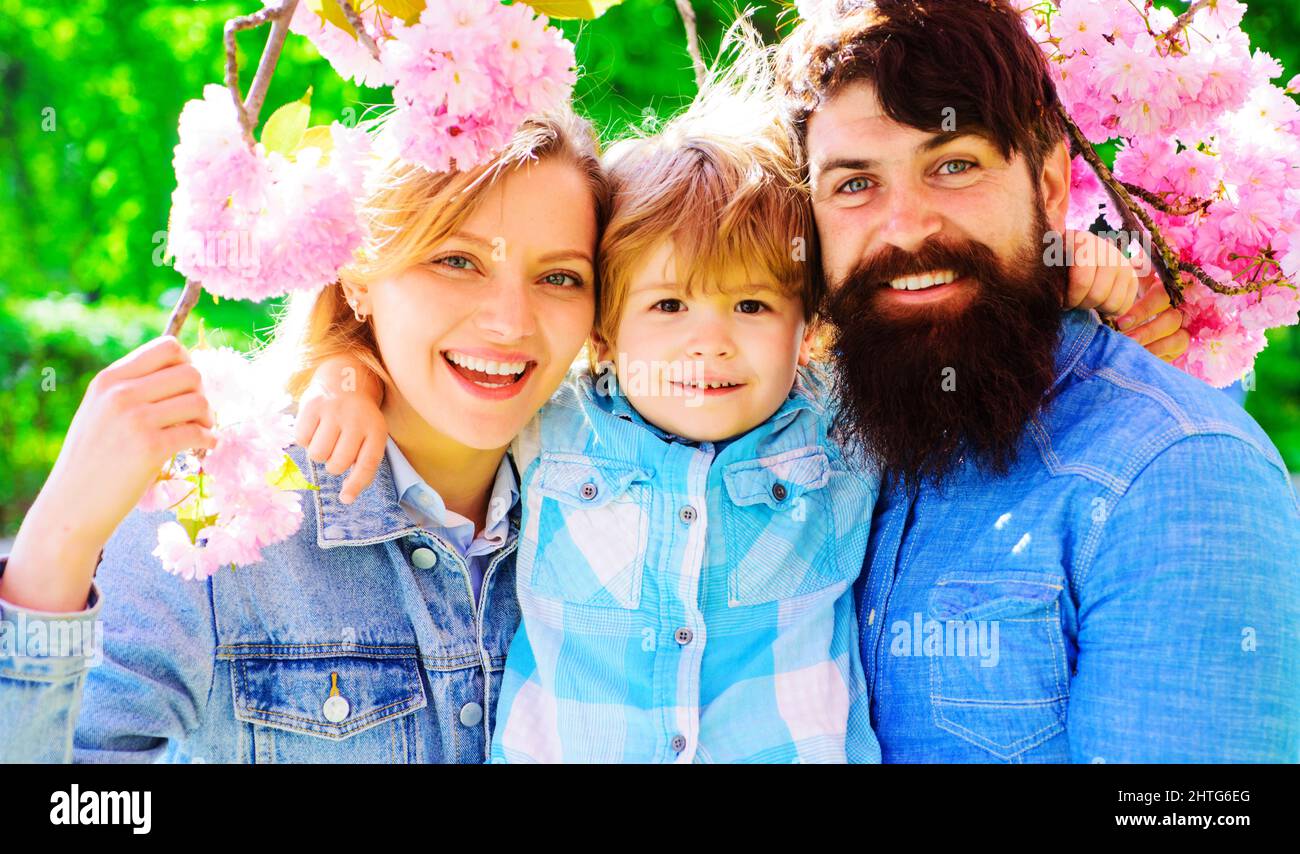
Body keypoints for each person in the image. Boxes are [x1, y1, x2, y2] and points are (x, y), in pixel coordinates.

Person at [295, 29, 1172, 763]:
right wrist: (347, 374)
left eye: (752, 305)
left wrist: (1070, 266)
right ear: (603, 326)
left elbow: (942, 322)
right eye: (668, 306)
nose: (708, 341)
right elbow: (448, 372)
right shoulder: (555, 422)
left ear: (807, 325)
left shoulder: (843, 424)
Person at [776, 0, 1300, 762]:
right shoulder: (810, 445)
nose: (906, 226)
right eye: (854, 185)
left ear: (1051, 184)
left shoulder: (1178, 474)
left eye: (954, 165)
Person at [0, 109, 610, 763]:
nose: (510, 323)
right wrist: (57, 544)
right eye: (457, 260)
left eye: (559, 277)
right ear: (358, 279)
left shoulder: (621, 513)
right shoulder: (223, 516)